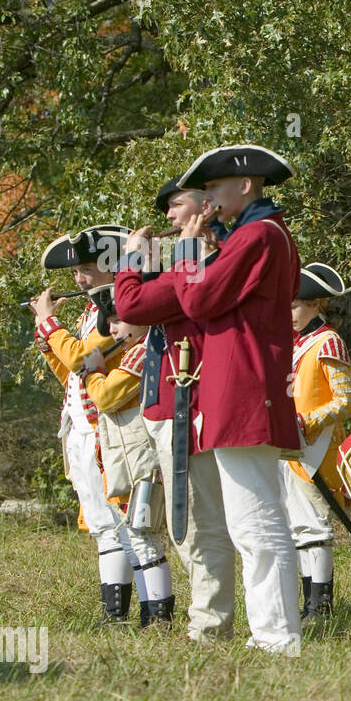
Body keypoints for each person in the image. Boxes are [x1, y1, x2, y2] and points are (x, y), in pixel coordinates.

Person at [119, 144, 303, 655]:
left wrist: (183, 252)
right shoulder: (254, 235)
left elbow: (198, 298)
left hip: (243, 392)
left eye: (216, 189)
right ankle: (271, 633)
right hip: (236, 392)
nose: (209, 201)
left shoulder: (260, 235)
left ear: (245, 185)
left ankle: (277, 636)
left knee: (257, 521)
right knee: (249, 523)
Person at [116, 176, 238, 643]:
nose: (167, 215)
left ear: (206, 207)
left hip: (190, 409)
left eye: (176, 204)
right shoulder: (186, 263)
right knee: (181, 524)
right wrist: (148, 266)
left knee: (198, 523)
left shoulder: (203, 261)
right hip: (168, 408)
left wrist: (131, 258)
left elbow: (128, 304)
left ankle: (209, 628)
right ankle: (207, 618)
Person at [31, 225, 136, 622]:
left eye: (87, 267)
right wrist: (47, 343)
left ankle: (134, 612)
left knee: (121, 522)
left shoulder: (116, 311)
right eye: (76, 271)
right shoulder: (92, 311)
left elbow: (81, 359)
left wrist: (49, 326)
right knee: (100, 524)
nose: (78, 278)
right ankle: (114, 613)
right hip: (79, 428)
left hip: (106, 429)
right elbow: (72, 375)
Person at [81, 284, 175, 626]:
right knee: (137, 534)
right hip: (132, 458)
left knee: (144, 534)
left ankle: (159, 614)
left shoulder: (144, 351)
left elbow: (106, 398)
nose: (114, 331)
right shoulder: (136, 350)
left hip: (145, 460)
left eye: (119, 321)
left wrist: (93, 371)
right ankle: (151, 612)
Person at [281, 262, 351, 620]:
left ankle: (320, 603)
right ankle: (308, 600)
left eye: (294, 305)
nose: (288, 313)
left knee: (314, 524)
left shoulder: (328, 341)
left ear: (315, 304)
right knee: (297, 525)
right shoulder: (292, 343)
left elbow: (346, 401)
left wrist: (308, 422)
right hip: (289, 447)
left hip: (318, 445)